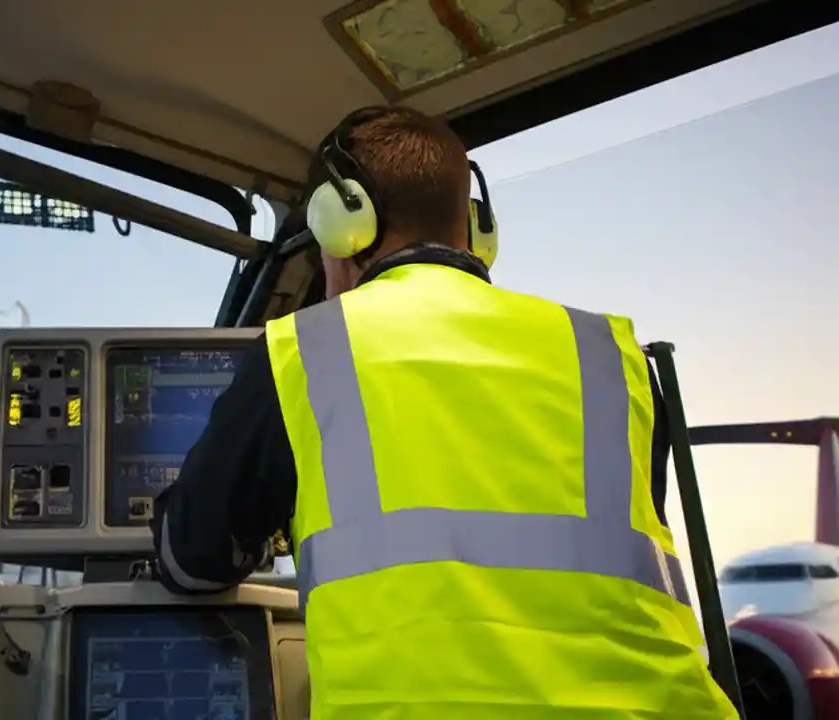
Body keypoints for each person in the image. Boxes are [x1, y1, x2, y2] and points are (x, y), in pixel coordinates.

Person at [149, 106, 737, 718]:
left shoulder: (304, 352)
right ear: (479, 229)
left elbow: (192, 561)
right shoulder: (610, 356)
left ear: (340, 224)